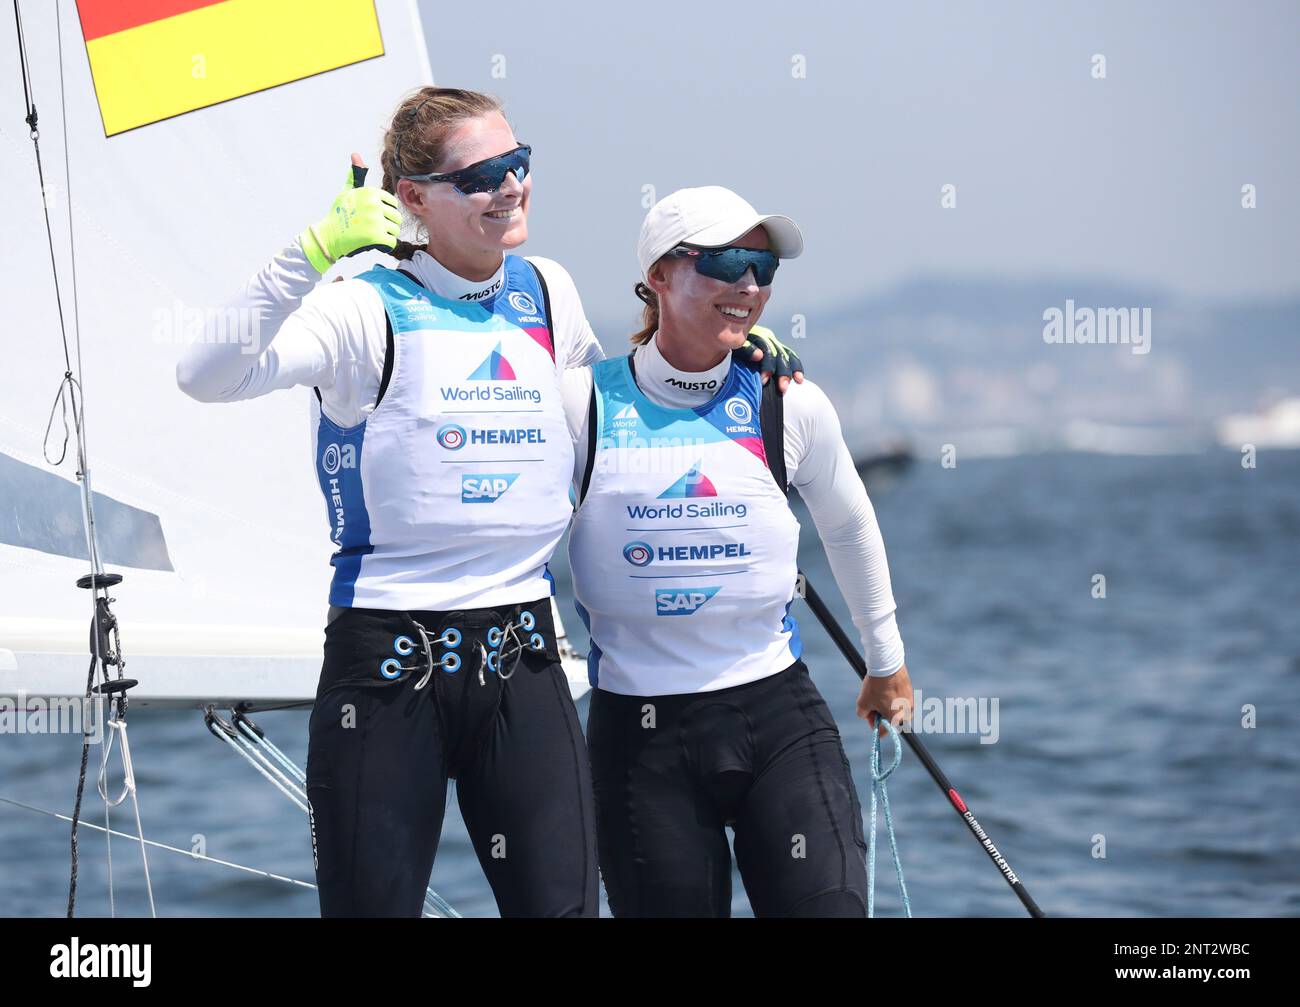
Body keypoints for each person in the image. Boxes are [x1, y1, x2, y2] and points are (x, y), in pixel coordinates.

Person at [176, 89, 799, 917]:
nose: (511, 188)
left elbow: (615, 410)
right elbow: (205, 374)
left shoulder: (547, 293)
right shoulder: (360, 305)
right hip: (388, 657)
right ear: (413, 199)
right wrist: (310, 251)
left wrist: (722, 351)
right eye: (481, 176)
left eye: (519, 164)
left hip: (522, 651)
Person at [565, 186, 915, 917]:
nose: (749, 286)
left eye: (763, 267)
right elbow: (512, 538)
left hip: (776, 718)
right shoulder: (581, 405)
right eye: (726, 262)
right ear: (659, 275)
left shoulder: (787, 401)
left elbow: (849, 527)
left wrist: (885, 662)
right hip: (641, 738)